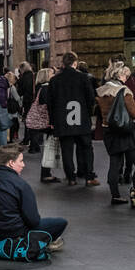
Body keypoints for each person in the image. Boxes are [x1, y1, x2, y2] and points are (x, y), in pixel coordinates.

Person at [0, 143, 68, 252]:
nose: (23, 165)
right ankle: (40, 242)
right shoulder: (21, 185)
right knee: (61, 222)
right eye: (21, 161)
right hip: (15, 232)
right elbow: (33, 220)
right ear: (11, 163)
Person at [46, 51, 98, 187]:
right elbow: (91, 99)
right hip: (81, 120)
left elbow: (50, 103)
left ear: (63, 63)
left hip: (63, 122)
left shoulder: (55, 80)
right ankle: (89, 176)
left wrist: (52, 121)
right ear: (75, 63)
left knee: (66, 150)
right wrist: (88, 113)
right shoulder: (83, 78)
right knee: (86, 148)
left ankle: (71, 177)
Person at [97, 64, 135, 205]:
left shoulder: (102, 91)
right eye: (125, 75)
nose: (127, 78)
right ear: (119, 76)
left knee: (115, 163)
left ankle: (115, 195)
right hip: (125, 132)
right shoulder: (124, 91)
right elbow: (134, 112)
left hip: (109, 131)